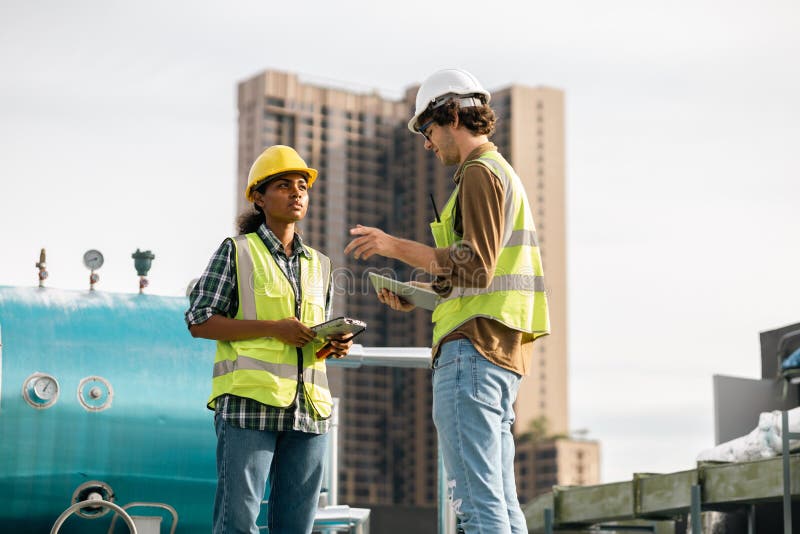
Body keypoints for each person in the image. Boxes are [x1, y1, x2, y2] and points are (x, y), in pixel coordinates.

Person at [344, 68, 550, 534]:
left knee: (476, 506)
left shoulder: (478, 173)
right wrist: (422, 296)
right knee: (502, 505)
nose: (426, 144)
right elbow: (480, 278)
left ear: (451, 116)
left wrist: (392, 246)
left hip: (470, 355)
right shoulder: (502, 174)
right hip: (499, 353)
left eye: (427, 129)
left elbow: (475, 265)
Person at [185, 145, 354, 534]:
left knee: (297, 527)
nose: (297, 193)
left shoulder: (321, 265)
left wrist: (332, 345)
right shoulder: (236, 251)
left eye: (302, 186)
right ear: (259, 199)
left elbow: (308, 340)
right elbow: (199, 320)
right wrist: (272, 328)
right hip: (249, 405)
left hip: (309, 410)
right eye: (283, 185)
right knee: (238, 523)